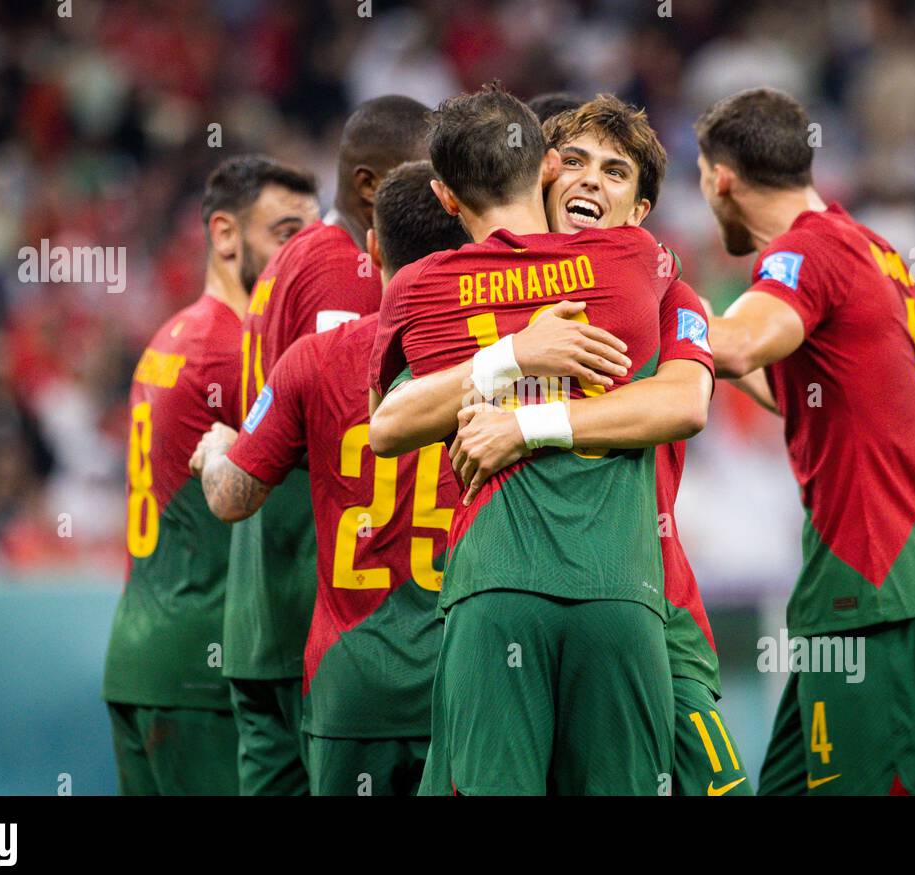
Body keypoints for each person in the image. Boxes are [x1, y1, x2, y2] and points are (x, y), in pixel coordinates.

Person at [374, 95, 752, 796]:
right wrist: (512, 353)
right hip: (524, 583)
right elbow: (390, 425)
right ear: (541, 174)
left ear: (640, 213)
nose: (589, 180)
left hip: (655, 603)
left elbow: (684, 401)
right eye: (574, 161)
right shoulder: (468, 279)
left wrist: (523, 426)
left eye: (615, 172)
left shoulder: (664, 283)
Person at [697, 87, 915, 795]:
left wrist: (653, 295)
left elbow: (739, 343)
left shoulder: (805, 256)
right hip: (864, 584)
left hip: (876, 582)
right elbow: (795, 390)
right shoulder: (871, 250)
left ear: (718, 178)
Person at [191, 162, 470, 794]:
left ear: (373, 246)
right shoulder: (505, 354)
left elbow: (232, 496)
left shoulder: (313, 359)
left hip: (349, 681)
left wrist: (216, 451)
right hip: (459, 675)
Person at [224, 96, 433, 795]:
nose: (441, 196)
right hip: (312, 591)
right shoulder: (347, 269)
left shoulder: (301, 253)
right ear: (373, 185)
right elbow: (355, 427)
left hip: (277, 588)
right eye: (426, 176)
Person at [102, 155, 319, 795]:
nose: (300, 257)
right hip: (204, 666)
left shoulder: (172, 336)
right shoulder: (233, 352)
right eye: (284, 234)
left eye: (309, 238)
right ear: (224, 235)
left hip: (142, 656)